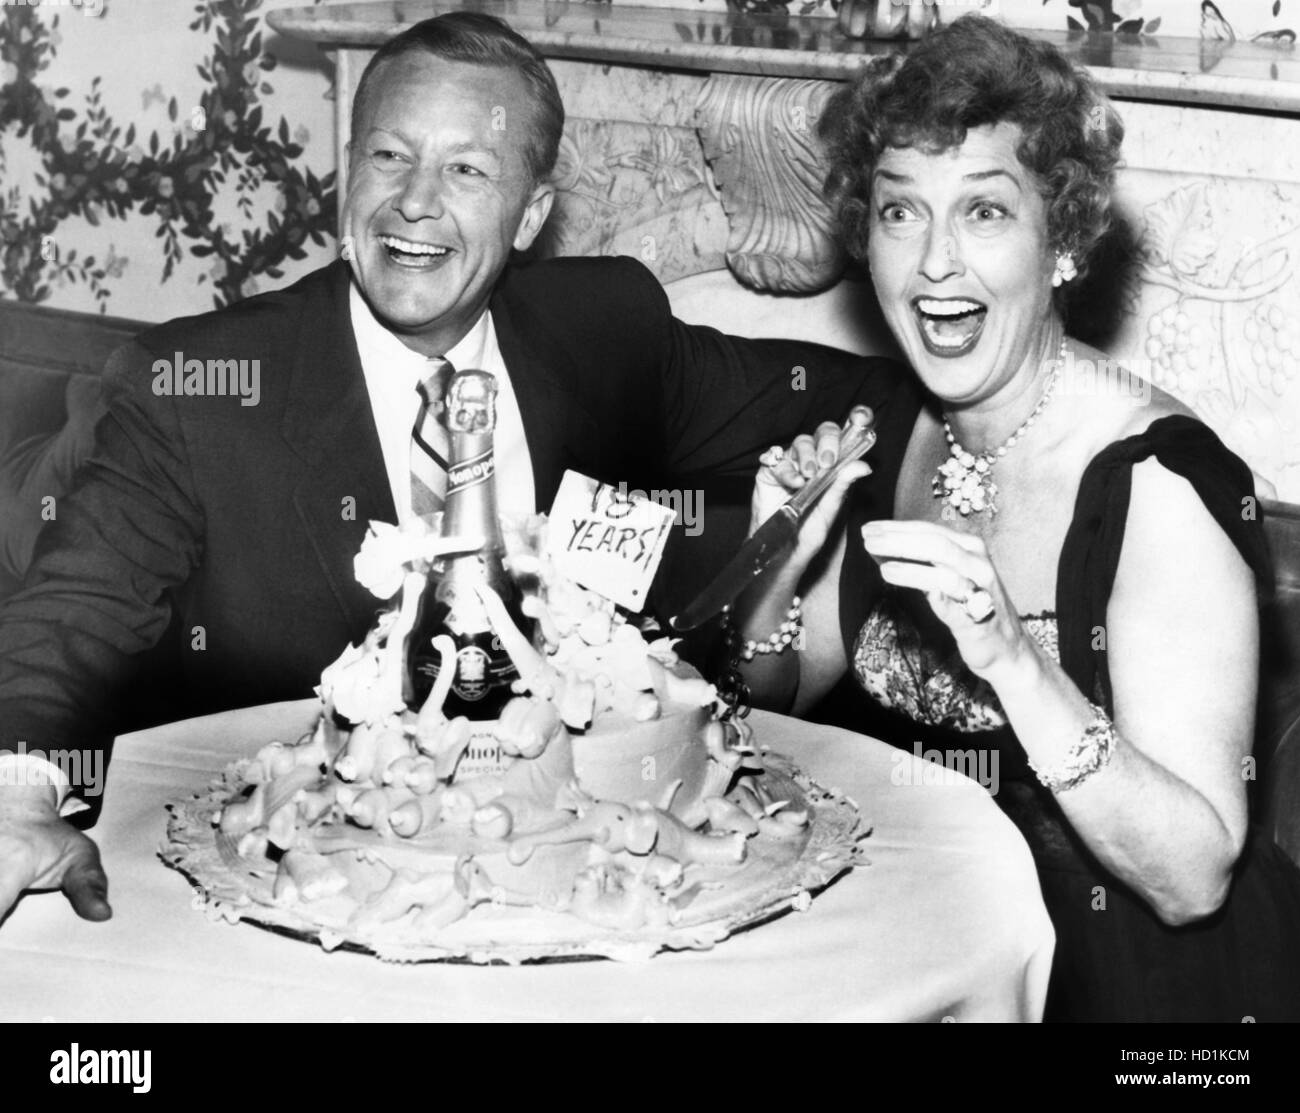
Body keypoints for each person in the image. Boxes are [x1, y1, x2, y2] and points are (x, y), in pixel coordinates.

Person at [0, 14, 901, 926]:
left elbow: (856, 396)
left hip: (577, 894)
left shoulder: (606, 330)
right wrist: (14, 794)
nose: (415, 203)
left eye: (467, 170)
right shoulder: (198, 391)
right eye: (389, 157)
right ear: (347, 174)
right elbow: (74, 613)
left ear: (533, 214)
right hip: (307, 906)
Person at [729, 15, 1300, 1022]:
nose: (935, 264)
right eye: (901, 214)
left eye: (984, 213)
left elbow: (1192, 874)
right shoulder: (894, 422)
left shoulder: (1158, 483)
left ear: (1065, 244)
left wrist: (1014, 666)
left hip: (1137, 998)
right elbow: (777, 694)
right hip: (925, 936)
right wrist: (774, 561)